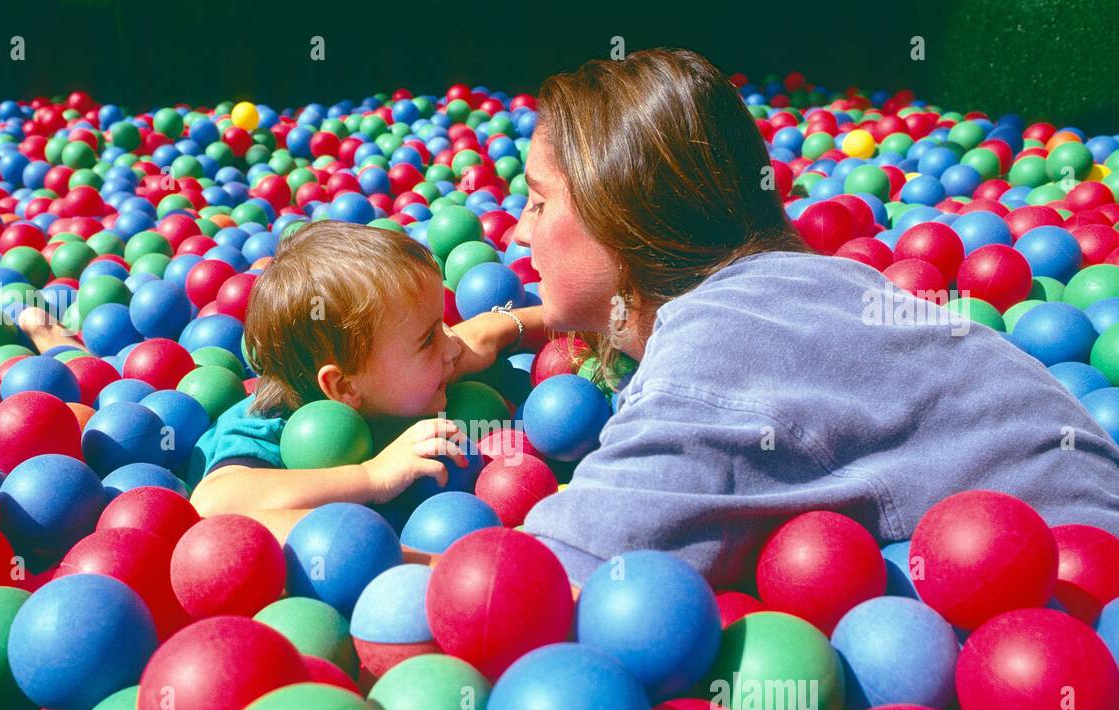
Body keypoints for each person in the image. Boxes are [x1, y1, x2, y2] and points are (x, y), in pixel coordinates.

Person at [511, 47, 1119, 587]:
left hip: (1074, 600)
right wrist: (511, 325)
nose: (517, 232)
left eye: (538, 203)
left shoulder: (711, 364)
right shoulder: (812, 282)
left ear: (624, 215)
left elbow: (534, 586)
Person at [187, 220, 547, 515]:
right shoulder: (265, 427)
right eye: (427, 339)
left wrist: (542, 321)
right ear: (344, 388)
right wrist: (372, 476)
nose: (451, 346)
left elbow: (486, 334)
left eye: (443, 326)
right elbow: (213, 501)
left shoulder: (418, 367)